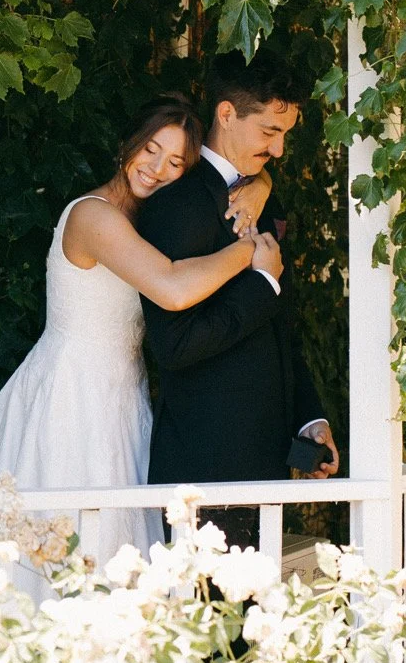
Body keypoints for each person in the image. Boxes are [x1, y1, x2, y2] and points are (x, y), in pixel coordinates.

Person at [0, 96, 283, 590]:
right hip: (71, 396)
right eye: (150, 150)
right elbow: (172, 287)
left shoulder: (148, 220)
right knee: (58, 543)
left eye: (176, 162)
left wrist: (262, 185)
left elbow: (241, 182)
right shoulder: (93, 216)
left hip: (123, 396)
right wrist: (252, 251)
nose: (157, 168)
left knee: (119, 546)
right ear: (126, 145)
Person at [136, 51, 339, 550]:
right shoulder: (177, 205)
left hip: (265, 464)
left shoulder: (262, 196)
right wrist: (261, 285)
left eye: (285, 134)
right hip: (205, 468)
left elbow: (281, 328)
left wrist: (310, 419)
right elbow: (175, 346)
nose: (279, 149)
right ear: (226, 114)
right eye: (270, 131)